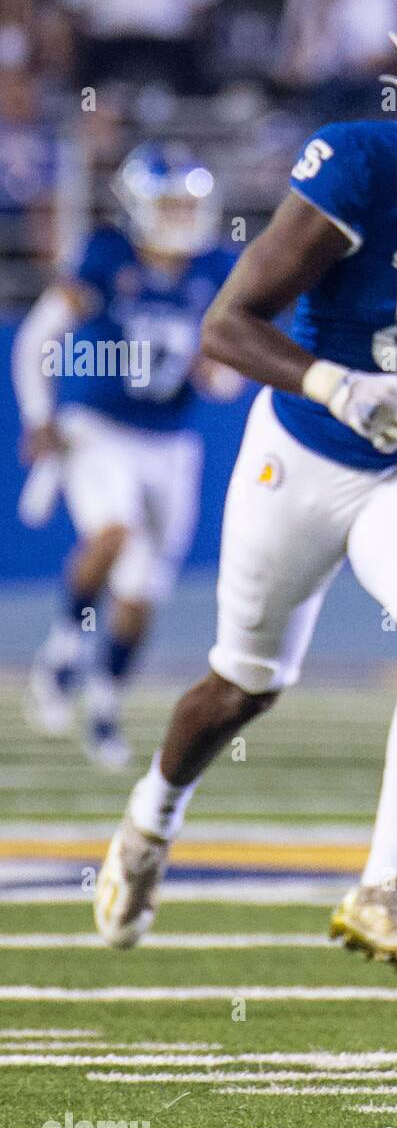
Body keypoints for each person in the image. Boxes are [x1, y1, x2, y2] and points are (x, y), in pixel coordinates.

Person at [92, 0, 397, 974]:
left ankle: (385, 883)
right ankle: (150, 819)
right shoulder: (364, 163)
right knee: (247, 682)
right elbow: (228, 323)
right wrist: (333, 381)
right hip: (300, 452)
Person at [14, 144, 237, 768]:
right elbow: (37, 337)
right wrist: (39, 416)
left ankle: (105, 705)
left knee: (143, 592)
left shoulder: (215, 268)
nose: (178, 215)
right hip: (100, 428)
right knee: (113, 535)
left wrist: (215, 369)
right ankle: (64, 649)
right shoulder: (107, 256)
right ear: (139, 205)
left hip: (171, 443)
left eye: (185, 203)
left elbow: (227, 379)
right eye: (166, 203)